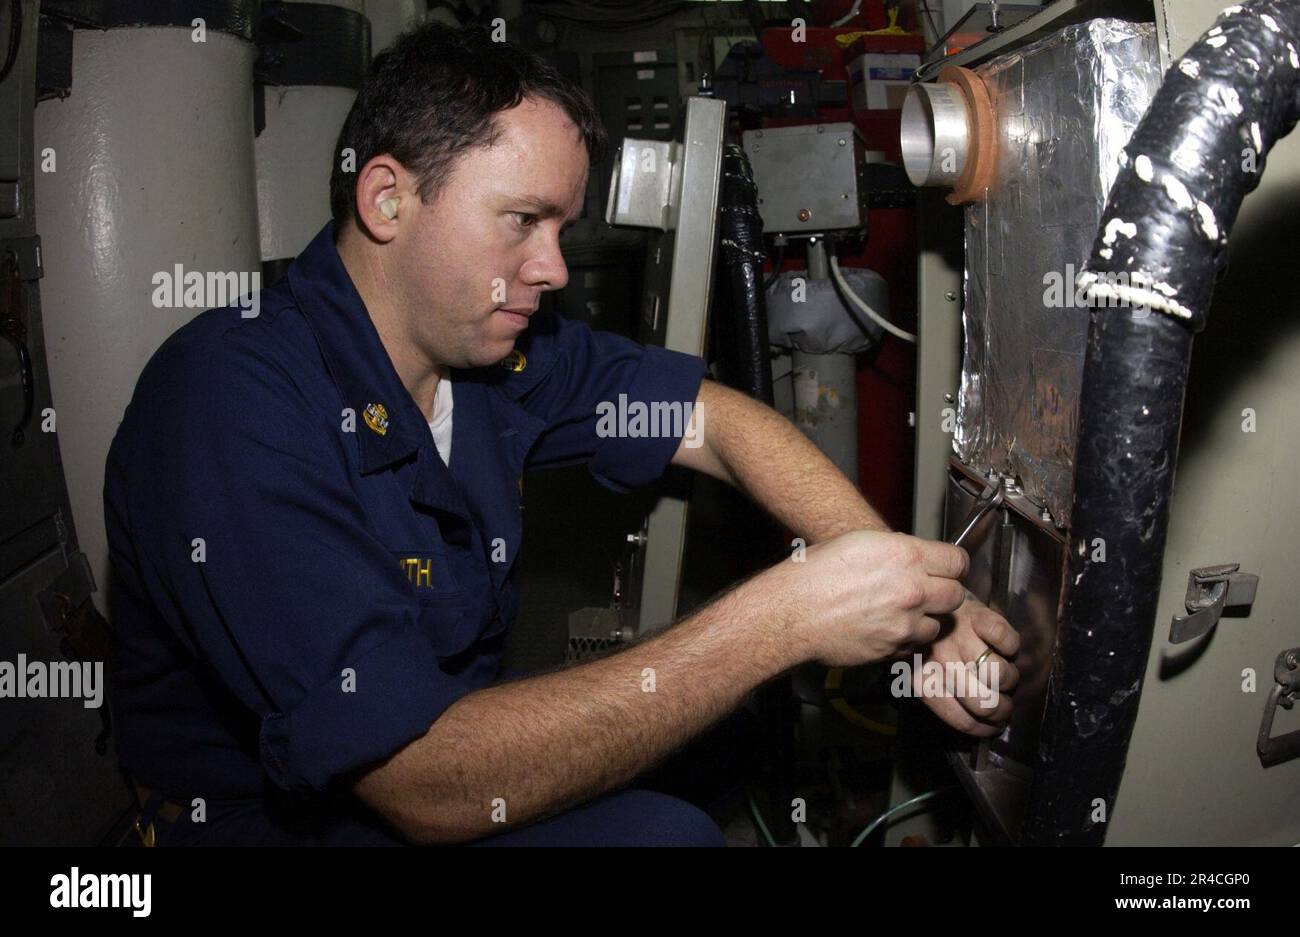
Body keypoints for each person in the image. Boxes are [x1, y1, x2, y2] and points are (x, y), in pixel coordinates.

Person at [104, 22, 1019, 847]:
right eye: (522, 221)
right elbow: (420, 781)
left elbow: (720, 422)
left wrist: (904, 589)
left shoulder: (489, 351)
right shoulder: (228, 404)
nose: (552, 269)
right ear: (387, 200)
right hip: (270, 824)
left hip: (431, 759)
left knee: (705, 771)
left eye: (561, 227)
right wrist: (783, 618)